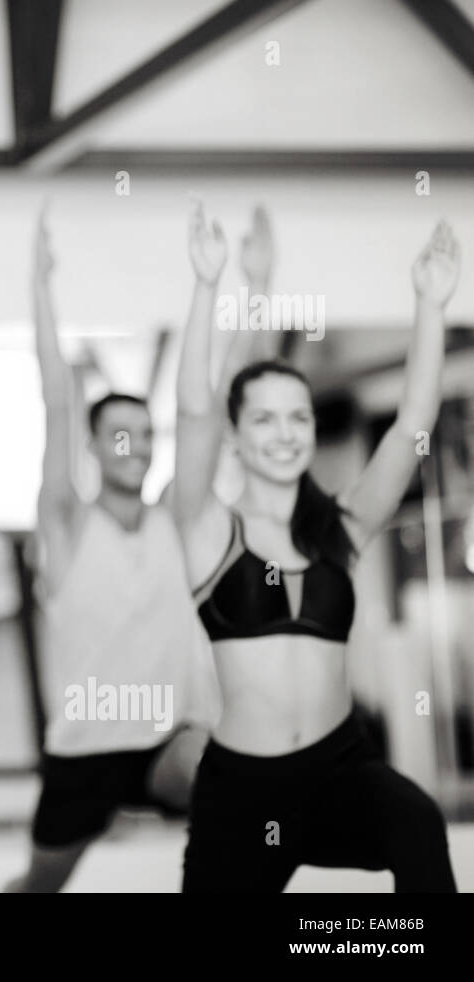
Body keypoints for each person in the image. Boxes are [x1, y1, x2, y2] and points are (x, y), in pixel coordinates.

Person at [173, 201, 460, 892]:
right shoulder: (207, 527)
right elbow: (192, 415)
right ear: (237, 436)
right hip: (242, 793)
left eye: (298, 416)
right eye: (264, 419)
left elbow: (411, 427)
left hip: (340, 770)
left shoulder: (343, 525)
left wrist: (428, 305)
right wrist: (209, 287)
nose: (285, 432)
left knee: (415, 820)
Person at [6, 207, 280, 892]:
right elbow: (55, 402)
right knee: (36, 889)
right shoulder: (66, 525)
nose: (137, 445)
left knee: (229, 776)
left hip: (168, 740)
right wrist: (40, 287)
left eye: (145, 433)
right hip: (83, 754)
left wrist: (256, 285)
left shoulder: (174, 519)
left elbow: (220, 404)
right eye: (119, 434)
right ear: (95, 448)